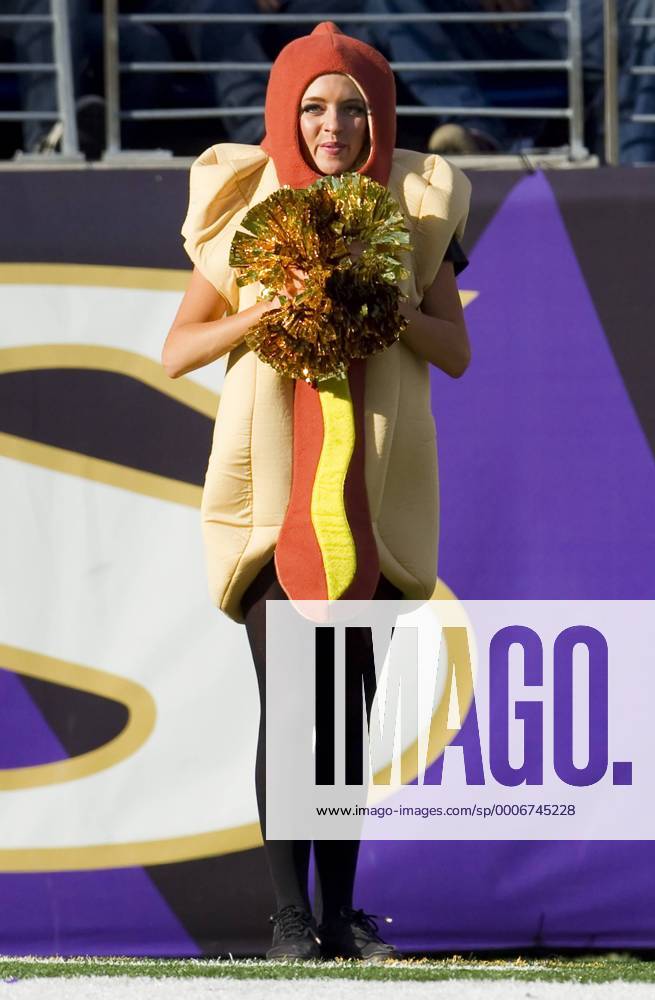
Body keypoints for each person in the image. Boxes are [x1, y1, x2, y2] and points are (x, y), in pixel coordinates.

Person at [162, 21, 471, 961]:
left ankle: (338, 918)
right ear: (283, 116)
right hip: (274, 498)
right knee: (291, 708)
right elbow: (179, 350)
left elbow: (455, 351)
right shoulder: (245, 202)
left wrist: (391, 305)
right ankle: (288, 919)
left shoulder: (418, 202)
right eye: (312, 107)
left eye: (349, 108)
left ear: (377, 116)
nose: (331, 125)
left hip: (371, 498)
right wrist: (266, 311)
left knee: (348, 716)